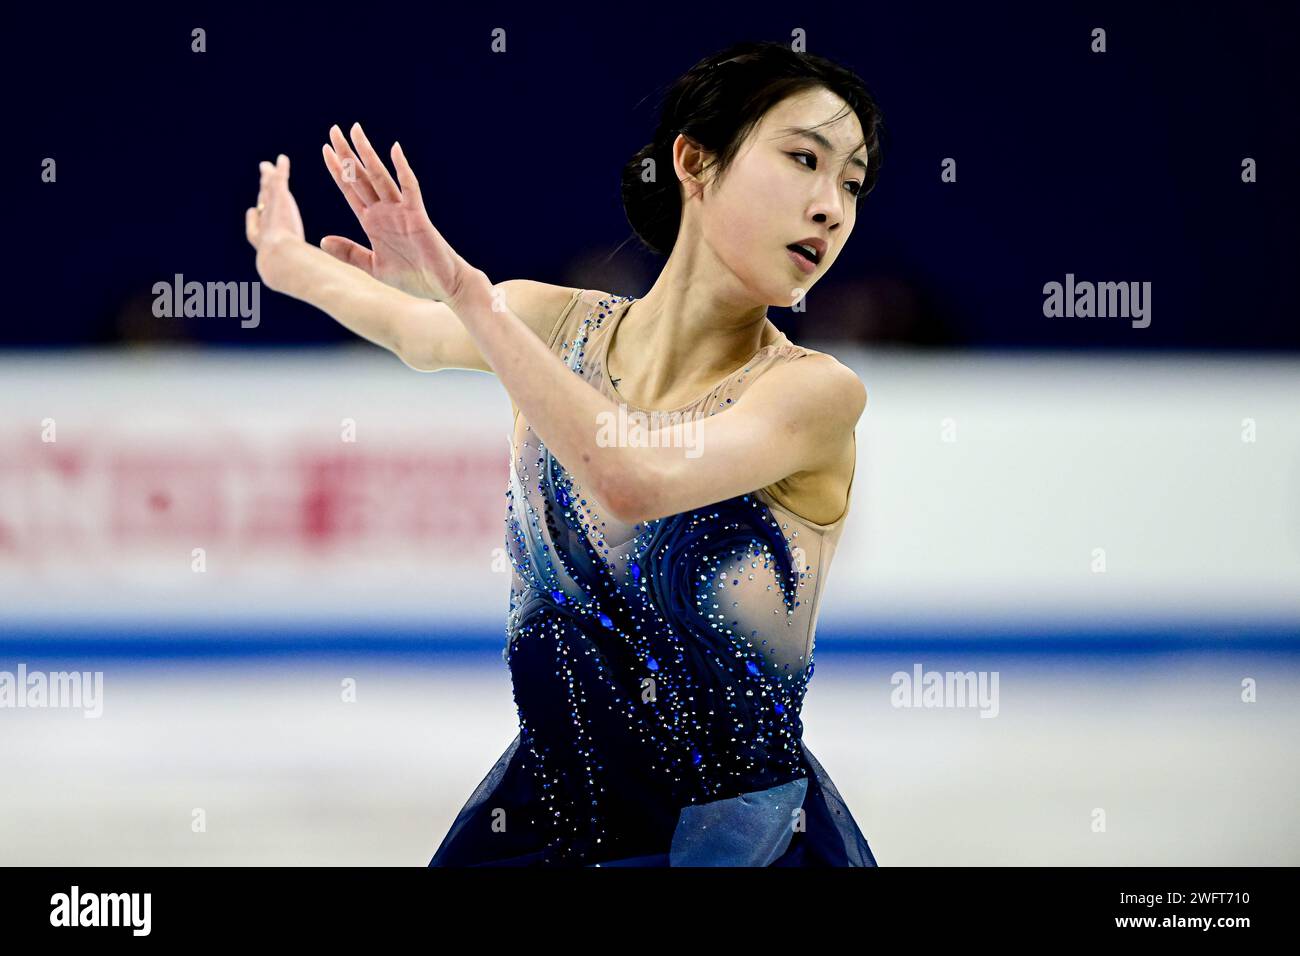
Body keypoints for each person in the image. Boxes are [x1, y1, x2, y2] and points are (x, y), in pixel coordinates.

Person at [245, 39, 884, 866]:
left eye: (854, 183)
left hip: (728, 841)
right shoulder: (550, 326)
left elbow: (628, 477)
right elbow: (412, 332)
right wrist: (287, 260)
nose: (832, 206)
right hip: (544, 816)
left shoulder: (814, 394)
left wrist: (476, 302)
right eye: (805, 159)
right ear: (694, 160)